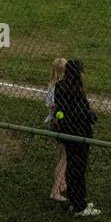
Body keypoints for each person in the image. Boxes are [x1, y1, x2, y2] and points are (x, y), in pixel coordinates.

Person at [53, 59, 100, 216]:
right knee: (78, 168)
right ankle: (80, 205)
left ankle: (75, 200)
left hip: (66, 131)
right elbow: (80, 112)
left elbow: (61, 110)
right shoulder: (76, 90)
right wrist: (92, 116)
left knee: (72, 166)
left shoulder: (60, 86)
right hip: (80, 133)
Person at [42, 58, 68, 203]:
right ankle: (55, 190)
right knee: (65, 157)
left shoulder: (52, 85)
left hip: (54, 122)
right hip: (61, 122)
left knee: (61, 154)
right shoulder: (61, 87)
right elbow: (54, 105)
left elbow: (48, 104)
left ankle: (62, 183)